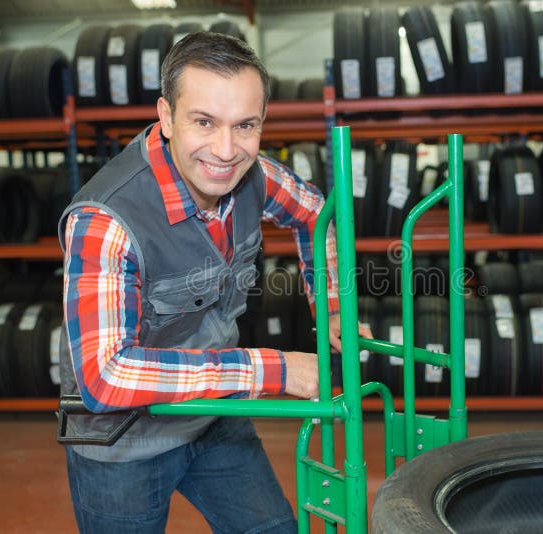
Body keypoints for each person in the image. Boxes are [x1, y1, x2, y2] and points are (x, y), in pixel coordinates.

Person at [58, 31, 365, 533]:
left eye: (245, 125)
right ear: (166, 116)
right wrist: (277, 370)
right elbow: (105, 377)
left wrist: (330, 304)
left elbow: (314, 213)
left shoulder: (253, 175)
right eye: (204, 122)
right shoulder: (107, 220)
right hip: (122, 442)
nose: (226, 150)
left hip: (213, 416)